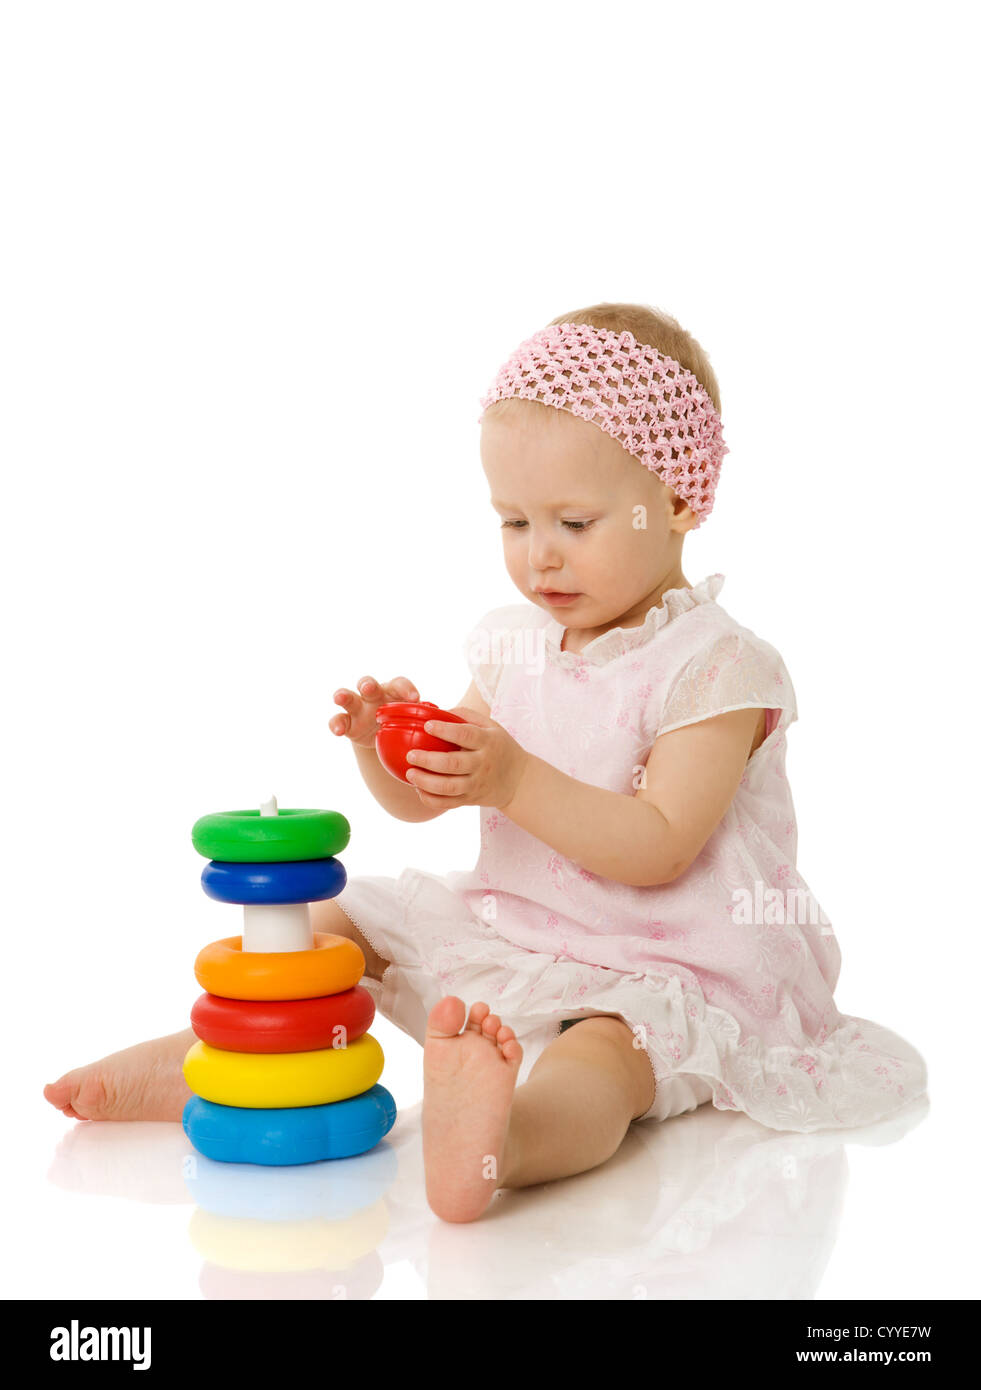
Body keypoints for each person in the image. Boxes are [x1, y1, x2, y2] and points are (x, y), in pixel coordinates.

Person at [44, 303, 928, 1224]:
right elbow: (430, 801)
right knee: (334, 919)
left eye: (574, 521)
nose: (539, 554)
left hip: (671, 969)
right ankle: (208, 1059)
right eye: (512, 521)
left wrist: (514, 781)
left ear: (676, 500)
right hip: (521, 932)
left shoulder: (715, 666)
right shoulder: (515, 647)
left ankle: (507, 1137)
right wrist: (389, 751)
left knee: (605, 1065)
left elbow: (659, 845)